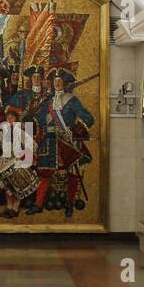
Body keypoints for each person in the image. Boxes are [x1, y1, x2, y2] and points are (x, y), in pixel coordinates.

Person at [30, 67, 95, 217]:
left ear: (65, 83)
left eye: (60, 81)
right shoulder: (47, 102)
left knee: (71, 174)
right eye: (55, 80)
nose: (57, 83)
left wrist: (77, 129)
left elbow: (88, 118)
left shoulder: (71, 100)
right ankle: (38, 204)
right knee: (45, 174)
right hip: (49, 141)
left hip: (67, 141)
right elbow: (39, 120)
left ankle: (70, 204)